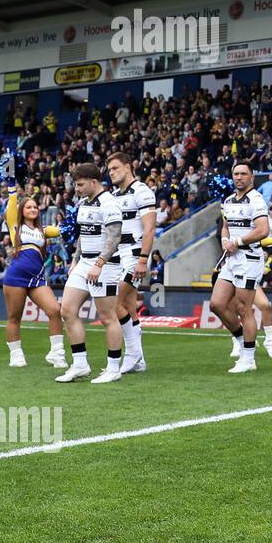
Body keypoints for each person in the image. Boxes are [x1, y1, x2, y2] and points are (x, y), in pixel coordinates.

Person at [54, 164, 126, 384]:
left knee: (107, 317)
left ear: (94, 182)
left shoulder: (109, 203)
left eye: (80, 184)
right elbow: (83, 236)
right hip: (84, 263)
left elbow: (114, 238)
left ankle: (114, 368)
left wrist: (99, 263)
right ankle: (80, 364)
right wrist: (75, 261)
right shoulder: (83, 203)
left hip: (106, 265)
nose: (77, 188)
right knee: (67, 311)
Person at [211, 162, 270, 374]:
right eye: (236, 173)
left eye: (243, 174)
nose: (239, 177)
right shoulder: (227, 201)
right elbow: (225, 227)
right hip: (232, 260)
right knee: (216, 304)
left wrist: (236, 243)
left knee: (244, 309)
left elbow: (263, 230)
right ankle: (239, 338)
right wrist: (225, 240)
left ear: (251, 177)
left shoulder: (256, 199)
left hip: (249, 259)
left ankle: (249, 359)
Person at [1, 181, 67, 370]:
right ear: (22, 211)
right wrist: (12, 186)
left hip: (37, 278)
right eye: (28, 207)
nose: (33, 209)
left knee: (55, 310)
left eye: (35, 206)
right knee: (14, 317)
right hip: (16, 277)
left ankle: (57, 352)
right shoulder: (15, 227)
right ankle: (16, 354)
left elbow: (63, 230)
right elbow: (11, 205)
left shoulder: (43, 231)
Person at [106, 152, 156, 375]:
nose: (112, 173)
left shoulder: (142, 191)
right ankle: (140, 360)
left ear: (128, 167)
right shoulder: (115, 195)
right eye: (109, 170)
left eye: (115, 168)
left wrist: (143, 259)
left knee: (113, 303)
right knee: (127, 306)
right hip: (119, 255)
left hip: (135, 255)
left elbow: (150, 228)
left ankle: (132, 354)